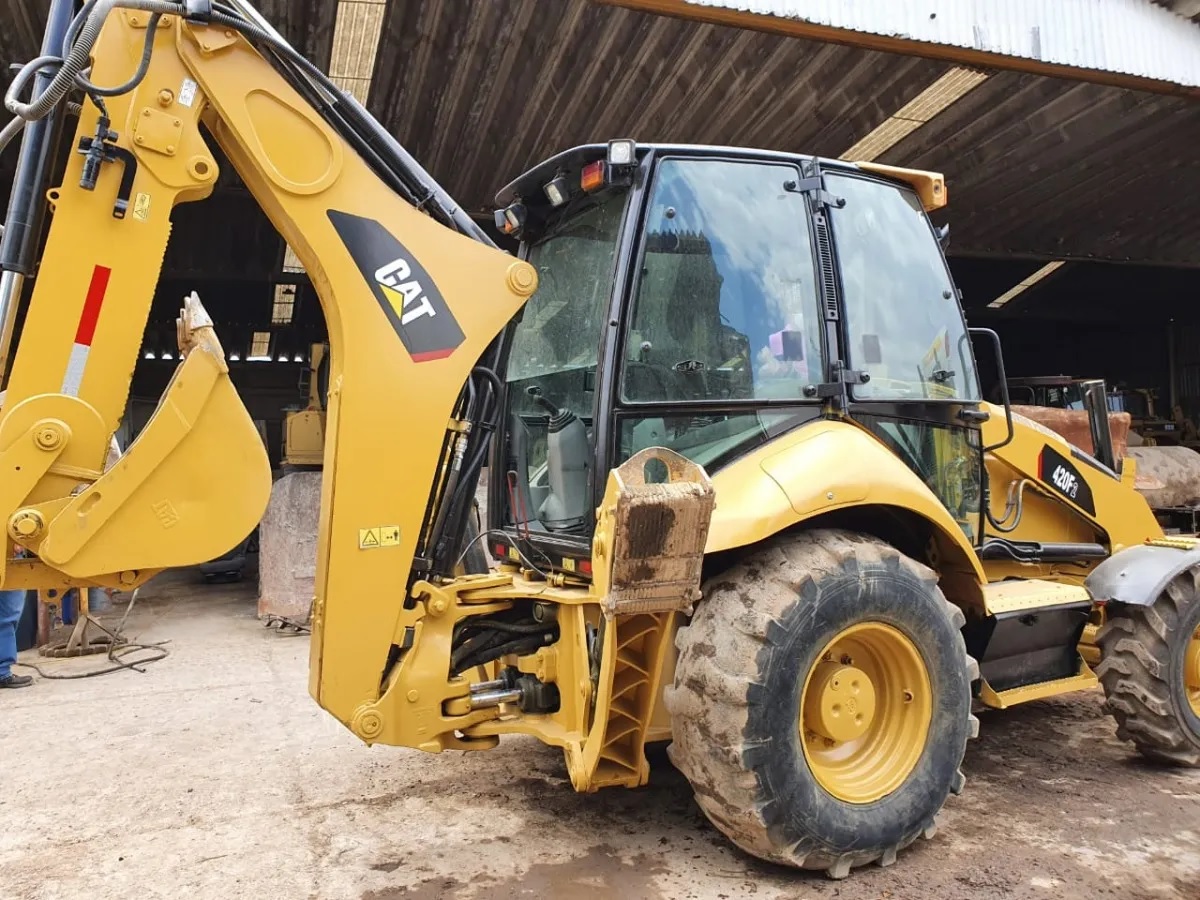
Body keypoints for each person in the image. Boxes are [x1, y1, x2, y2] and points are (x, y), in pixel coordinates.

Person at [0, 390, 122, 687]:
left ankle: (2, 669)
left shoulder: (35, 405)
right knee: (9, 603)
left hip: (15, 526)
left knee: (10, 603)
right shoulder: (20, 408)